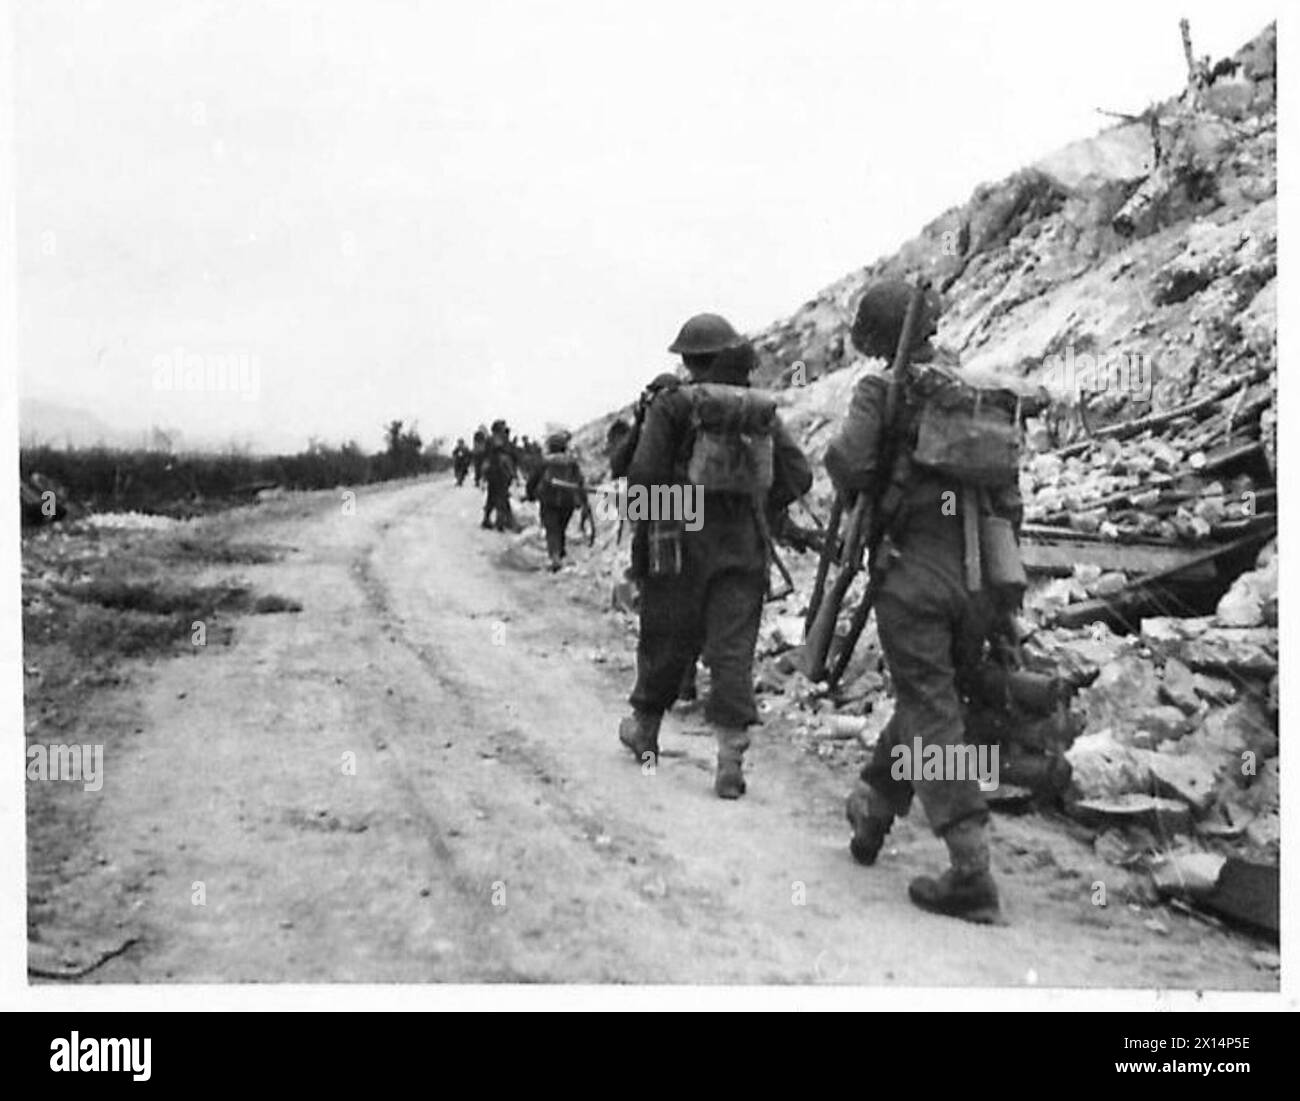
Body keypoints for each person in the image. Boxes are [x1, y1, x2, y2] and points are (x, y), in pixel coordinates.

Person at [825, 279, 1024, 925]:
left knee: (930, 706)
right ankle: (873, 807)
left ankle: (971, 870)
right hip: (982, 577)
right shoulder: (974, 393)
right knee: (928, 695)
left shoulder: (882, 391)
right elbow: (1010, 494)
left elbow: (848, 464)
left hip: (915, 573)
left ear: (878, 338)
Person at [617, 313, 811, 798]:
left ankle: (645, 731)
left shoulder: (672, 405)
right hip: (744, 547)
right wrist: (752, 504)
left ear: (688, 359)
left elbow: (642, 478)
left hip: (679, 547)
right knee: (732, 652)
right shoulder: (757, 409)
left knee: (665, 636)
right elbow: (797, 475)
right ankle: (729, 760)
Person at [526, 430, 586, 571]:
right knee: (561, 528)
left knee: (552, 529)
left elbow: (533, 479)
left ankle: (555, 556)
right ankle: (561, 552)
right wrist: (582, 501)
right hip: (568, 502)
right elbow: (580, 482)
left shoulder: (545, 462)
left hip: (549, 500)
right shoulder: (571, 463)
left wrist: (530, 494)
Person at [481, 419, 521, 532]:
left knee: (491, 496)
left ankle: (487, 519)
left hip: (492, 473)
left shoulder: (489, 440)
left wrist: (483, 475)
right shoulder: (505, 441)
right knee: (502, 497)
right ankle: (501, 522)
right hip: (503, 474)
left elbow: (484, 457)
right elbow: (514, 456)